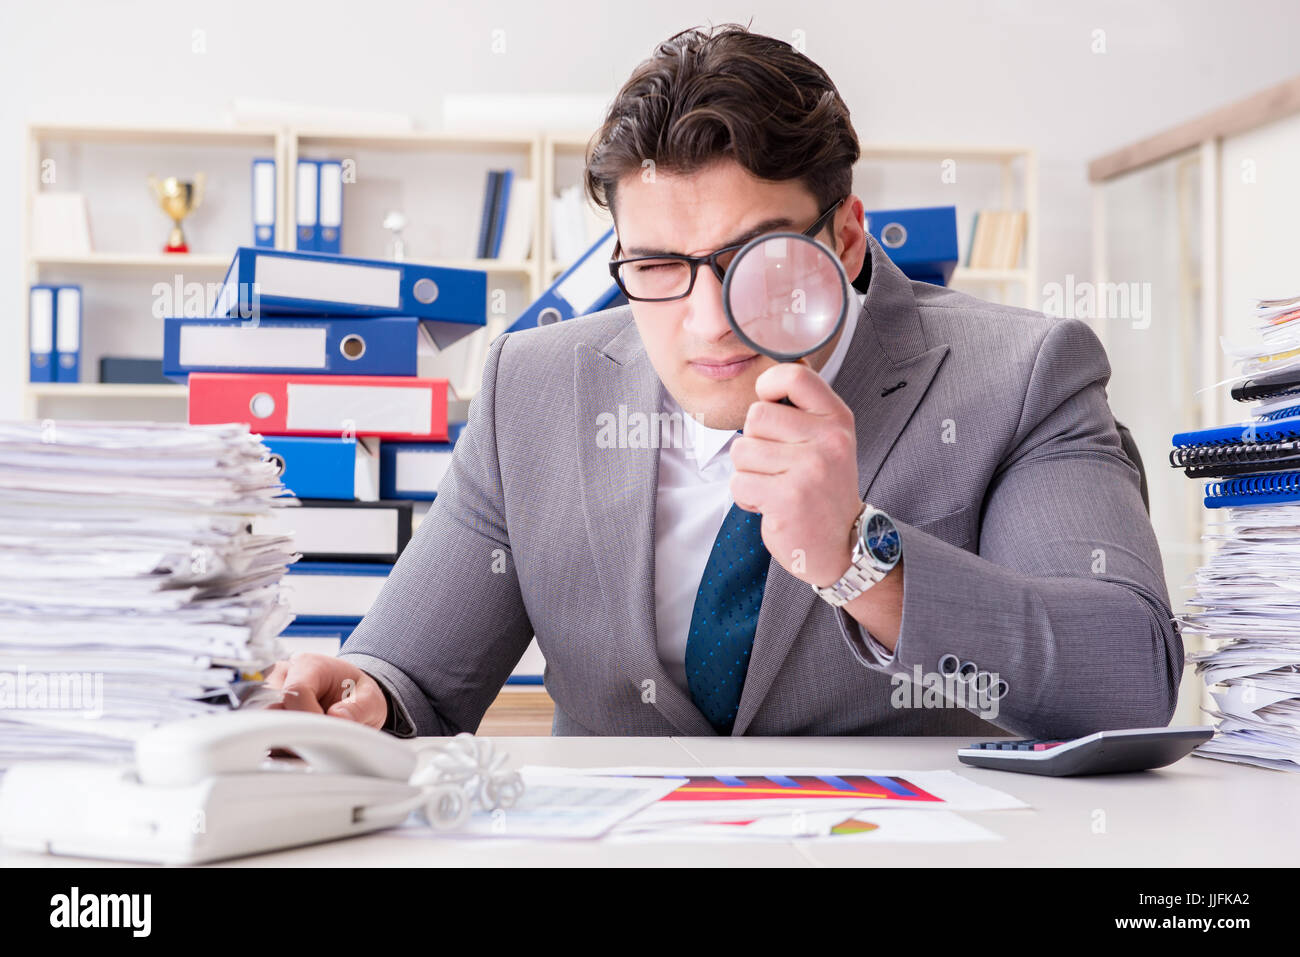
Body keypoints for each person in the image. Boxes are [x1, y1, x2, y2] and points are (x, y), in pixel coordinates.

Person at [267, 23, 1182, 739]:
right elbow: (414, 675)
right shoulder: (534, 385)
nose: (707, 321)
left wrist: (860, 558)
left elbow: (1129, 678)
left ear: (848, 236)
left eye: (755, 257)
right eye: (658, 265)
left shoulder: (1019, 375)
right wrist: (360, 696)